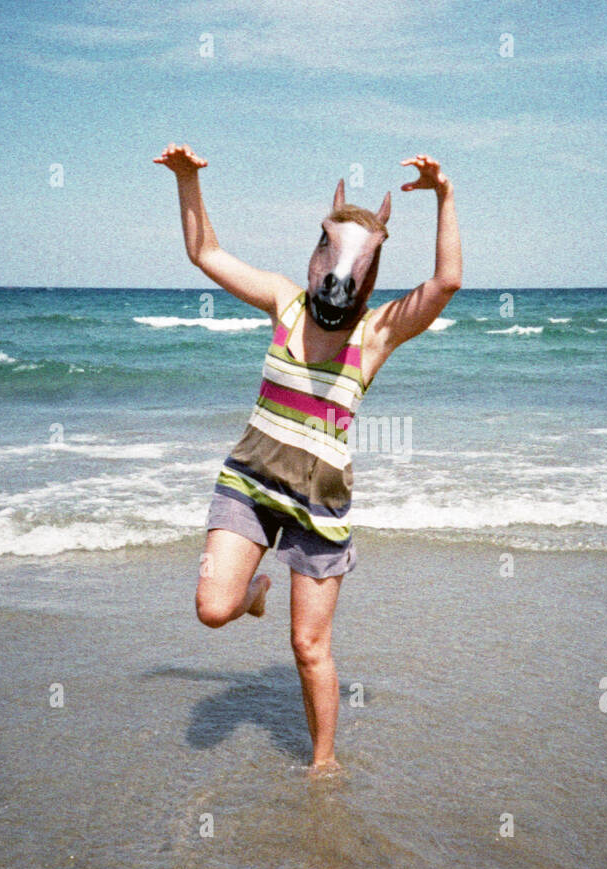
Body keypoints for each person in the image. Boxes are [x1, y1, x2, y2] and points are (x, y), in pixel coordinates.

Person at [154, 142, 462, 774]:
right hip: (249, 483)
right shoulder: (283, 302)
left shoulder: (375, 334)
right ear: (318, 250)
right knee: (213, 609)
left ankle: (323, 765)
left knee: (308, 645)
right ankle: (254, 588)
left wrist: (445, 197)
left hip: (319, 505)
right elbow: (204, 252)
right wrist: (187, 180)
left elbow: (447, 282)